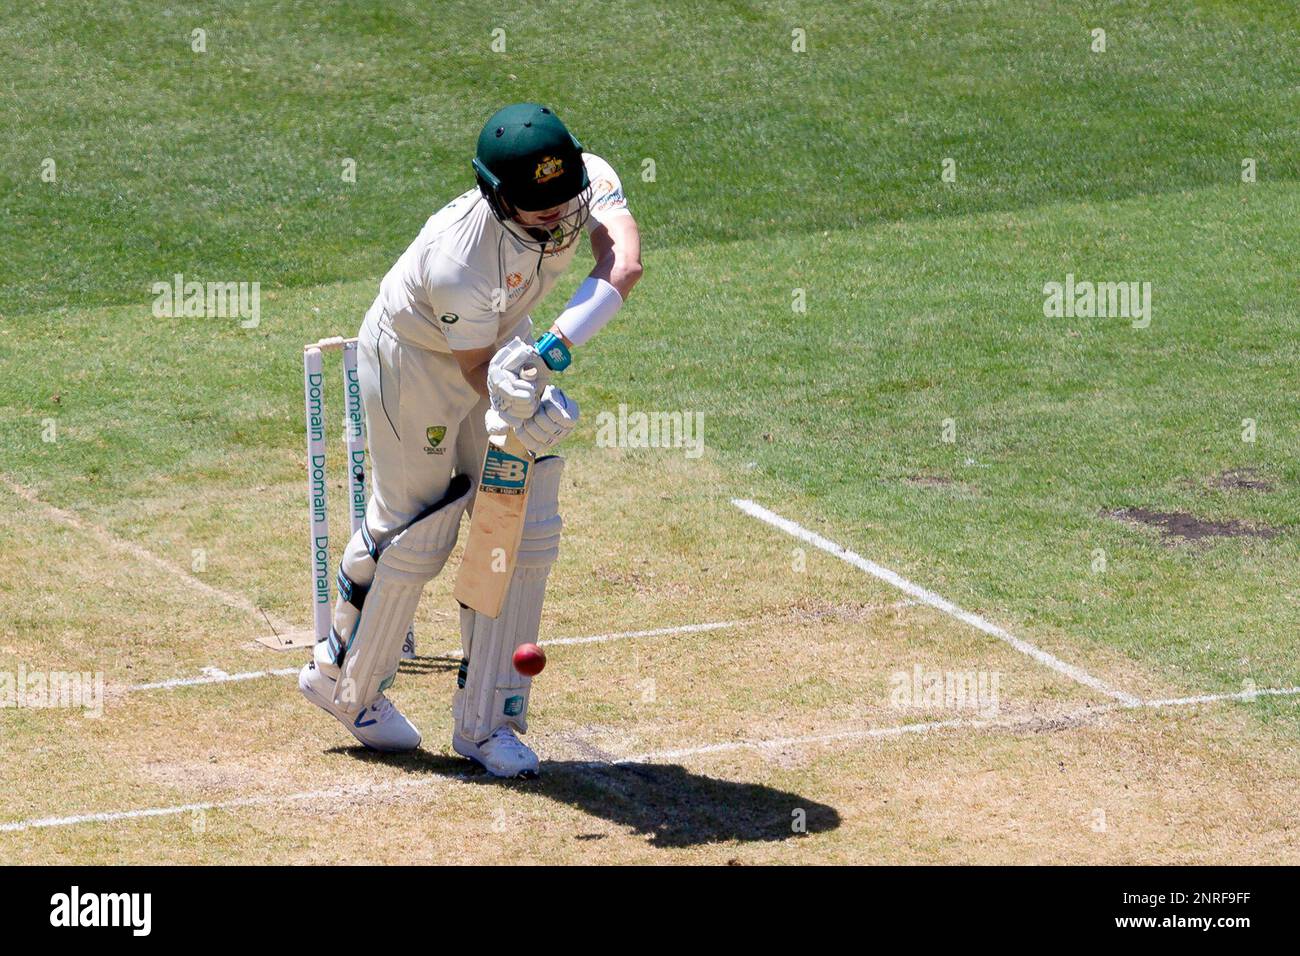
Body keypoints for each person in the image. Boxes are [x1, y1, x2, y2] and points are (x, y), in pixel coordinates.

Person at [298, 103, 642, 777]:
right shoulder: (460, 258)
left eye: (567, 202)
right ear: (499, 198)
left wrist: (549, 354)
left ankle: (489, 723)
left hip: (505, 341)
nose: (561, 220)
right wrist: (525, 398)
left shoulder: (586, 178)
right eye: (541, 214)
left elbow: (621, 263)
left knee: (515, 519)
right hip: (415, 361)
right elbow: (476, 372)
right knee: (418, 531)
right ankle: (344, 685)